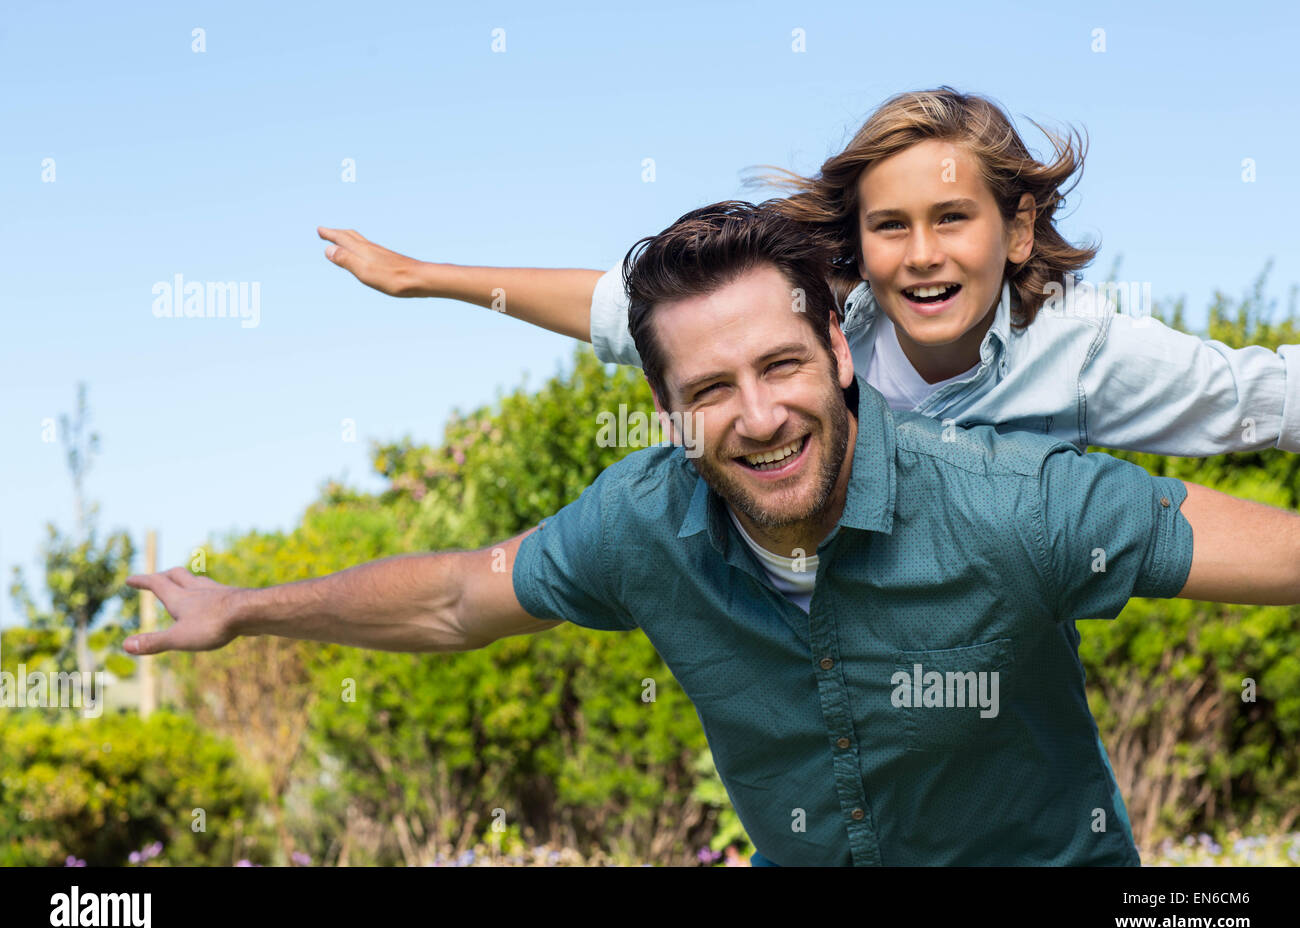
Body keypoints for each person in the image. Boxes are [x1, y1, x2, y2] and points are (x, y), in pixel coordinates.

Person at [127, 202, 1300, 866]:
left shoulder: (1018, 502)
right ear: (665, 410)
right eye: (710, 388)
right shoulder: (643, 521)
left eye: (783, 364)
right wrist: (246, 609)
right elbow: (451, 597)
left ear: (840, 356)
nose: (757, 414)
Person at [318, 87, 1298, 456]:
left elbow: (1252, 394)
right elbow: (617, 306)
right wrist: (421, 276)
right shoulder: (820, 315)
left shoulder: (1085, 350)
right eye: (890, 226)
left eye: (952, 218)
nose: (920, 254)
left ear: (1017, 228)